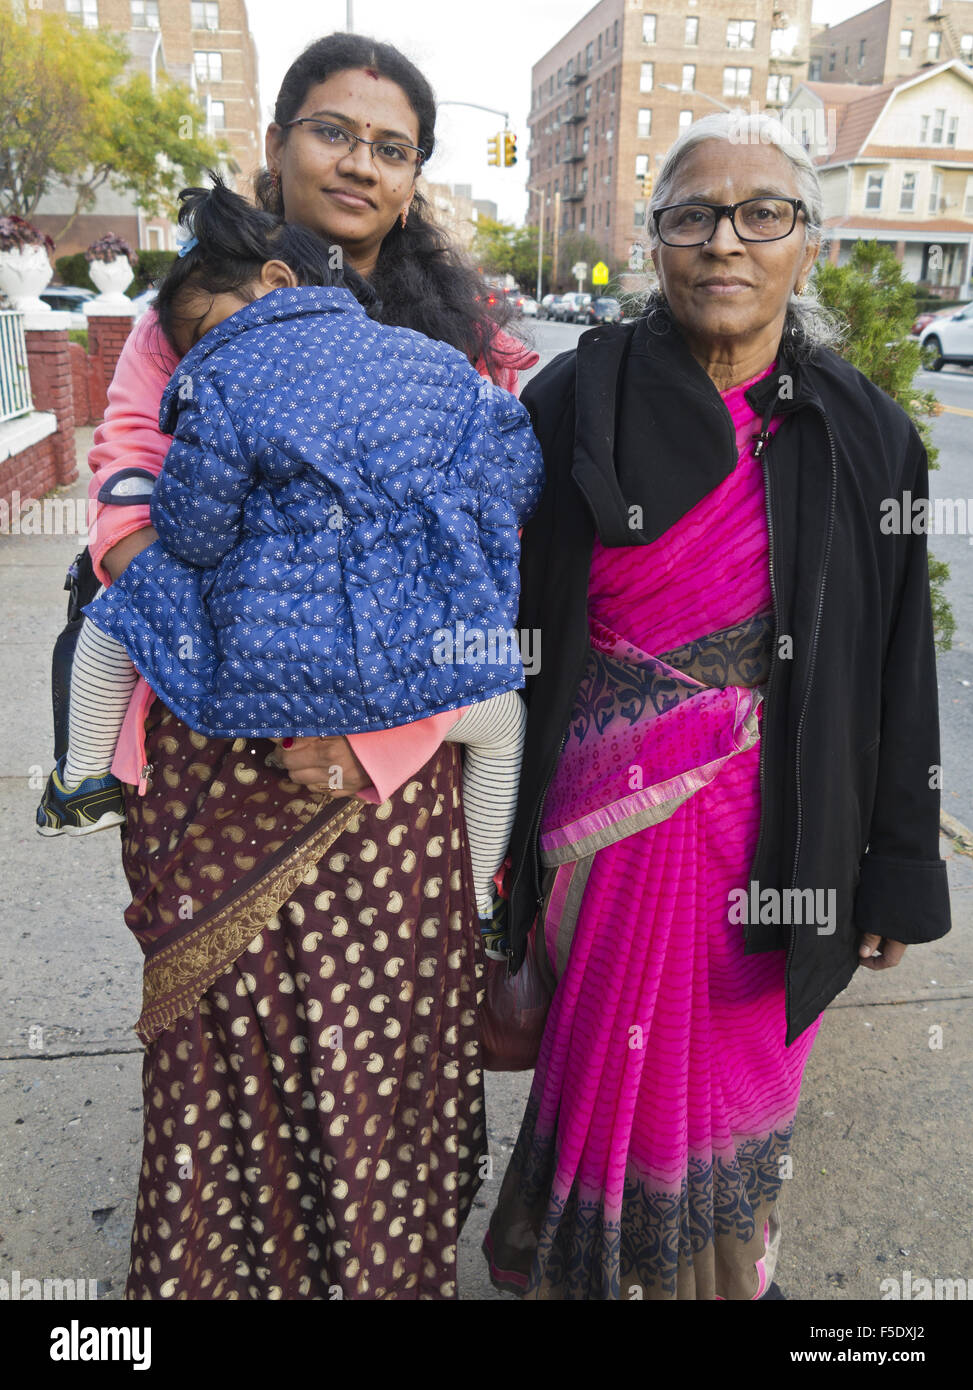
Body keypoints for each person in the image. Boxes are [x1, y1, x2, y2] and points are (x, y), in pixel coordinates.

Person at [74, 33, 538, 1301]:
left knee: (370, 1058)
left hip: (390, 773)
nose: (359, 162)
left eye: (392, 147)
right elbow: (127, 462)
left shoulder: (462, 339)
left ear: (416, 177)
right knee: (219, 1054)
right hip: (214, 749)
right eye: (333, 130)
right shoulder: (201, 300)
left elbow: (481, 556)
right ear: (278, 144)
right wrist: (132, 559)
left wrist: (380, 735)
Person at [486, 111, 951, 1301]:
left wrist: (897, 863)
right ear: (654, 243)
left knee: (743, 1085)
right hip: (606, 830)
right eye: (692, 215)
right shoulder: (571, 403)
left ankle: (724, 1276)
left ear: (808, 244)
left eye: (764, 214)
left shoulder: (867, 434)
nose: (725, 243)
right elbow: (505, 632)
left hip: (784, 836)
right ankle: (597, 1275)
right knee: (609, 1070)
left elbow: (894, 667)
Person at [36, 177, 540, 944]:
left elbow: (195, 533)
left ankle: (79, 780)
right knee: (503, 723)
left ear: (276, 281)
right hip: (419, 658)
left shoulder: (226, 375)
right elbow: (514, 468)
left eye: (204, 330)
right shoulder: (435, 360)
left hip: (273, 657)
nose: (202, 351)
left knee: (116, 620)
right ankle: (476, 901)